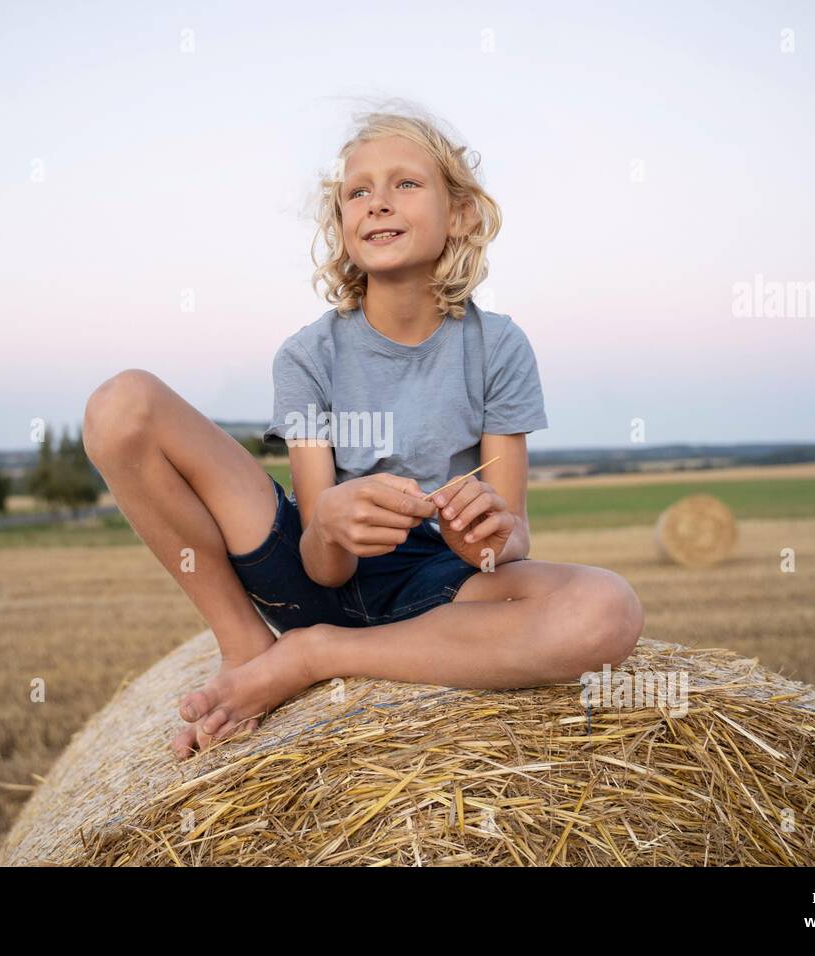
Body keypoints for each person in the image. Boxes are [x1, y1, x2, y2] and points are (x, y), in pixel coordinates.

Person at [83, 106, 644, 760]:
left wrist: (483, 537)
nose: (378, 202)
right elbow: (321, 563)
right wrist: (326, 526)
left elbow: (511, 539)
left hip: (435, 587)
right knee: (121, 406)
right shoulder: (307, 357)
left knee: (608, 610)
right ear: (343, 225)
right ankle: (246, 647)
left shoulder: (499, 347)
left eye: (406, 184)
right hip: (310, 568)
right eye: (358, 191)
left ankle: (316, 656)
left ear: (460, 214)